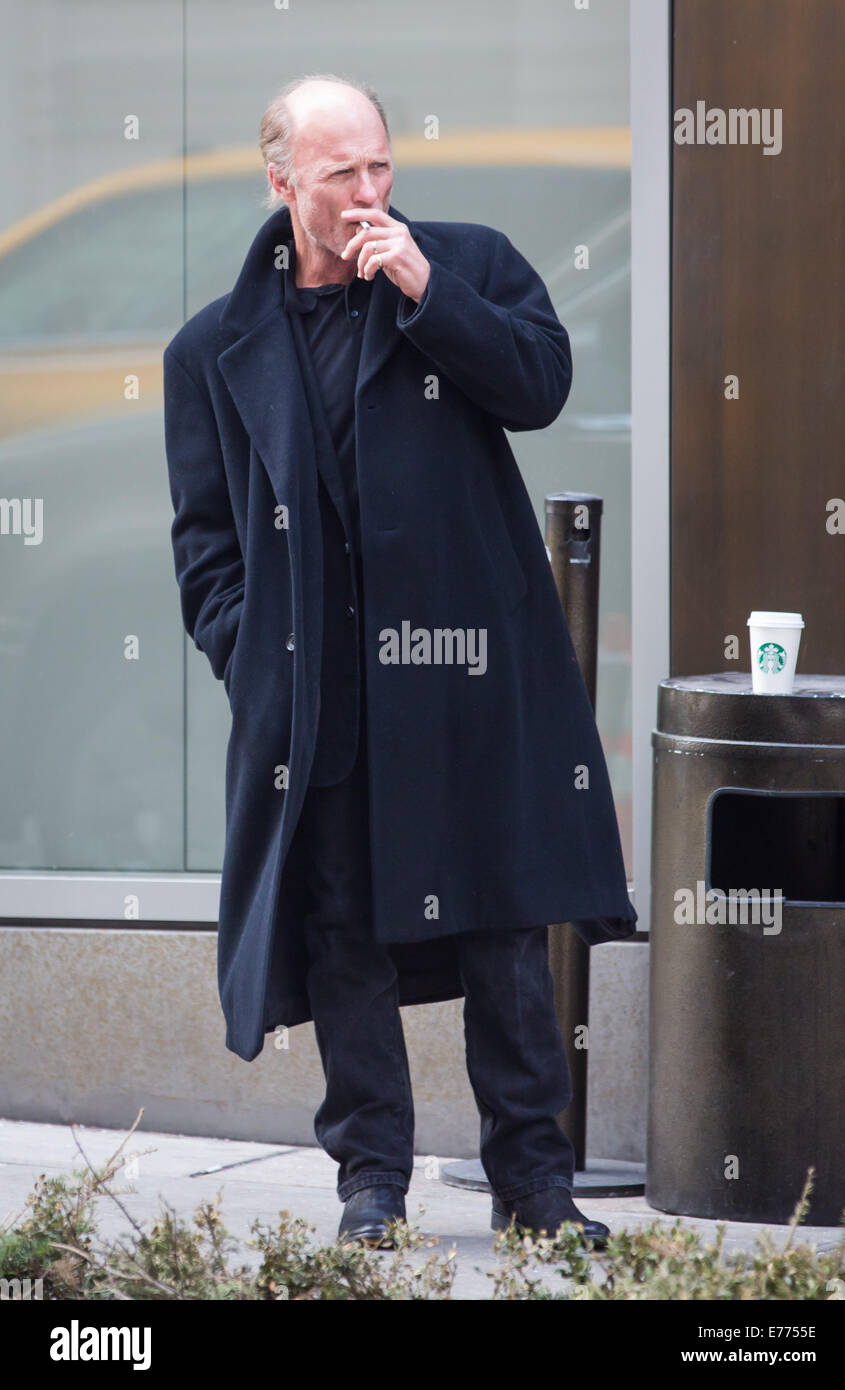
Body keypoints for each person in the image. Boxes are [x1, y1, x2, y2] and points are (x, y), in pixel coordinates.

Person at [163, 72, 637, 1250]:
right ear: (281, 185)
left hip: (466, 685)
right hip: (321, 706)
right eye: (341, 175)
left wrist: (428, 292)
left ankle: (537, 1186)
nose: (370, 191)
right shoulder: (212, 349)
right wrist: (253, 660)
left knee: (502, 931)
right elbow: (204, 545)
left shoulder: (463, 265)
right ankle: (369, 1185)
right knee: (342, 943)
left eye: (380, 165)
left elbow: (539, 384)